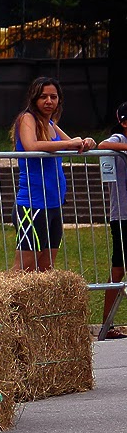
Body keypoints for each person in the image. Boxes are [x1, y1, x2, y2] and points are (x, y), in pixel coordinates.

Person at [10, 76, 94, 273]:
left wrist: (87, 142)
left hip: (54, 204)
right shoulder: (27, 118)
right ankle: (7, 303)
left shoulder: (50, 124)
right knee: (25, 266)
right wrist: (69, 143)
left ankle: (38, 305)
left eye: (53, 97)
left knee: (46, 267)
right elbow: (31, 146)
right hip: (33, 204)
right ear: (34, 99)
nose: (49, 101)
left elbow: (75, 144)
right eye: (44, 97)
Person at [96, 101, 127, 339]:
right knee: (118, 267)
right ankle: (108, 324)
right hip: (122, 215)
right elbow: (103, 144)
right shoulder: (117, 140)